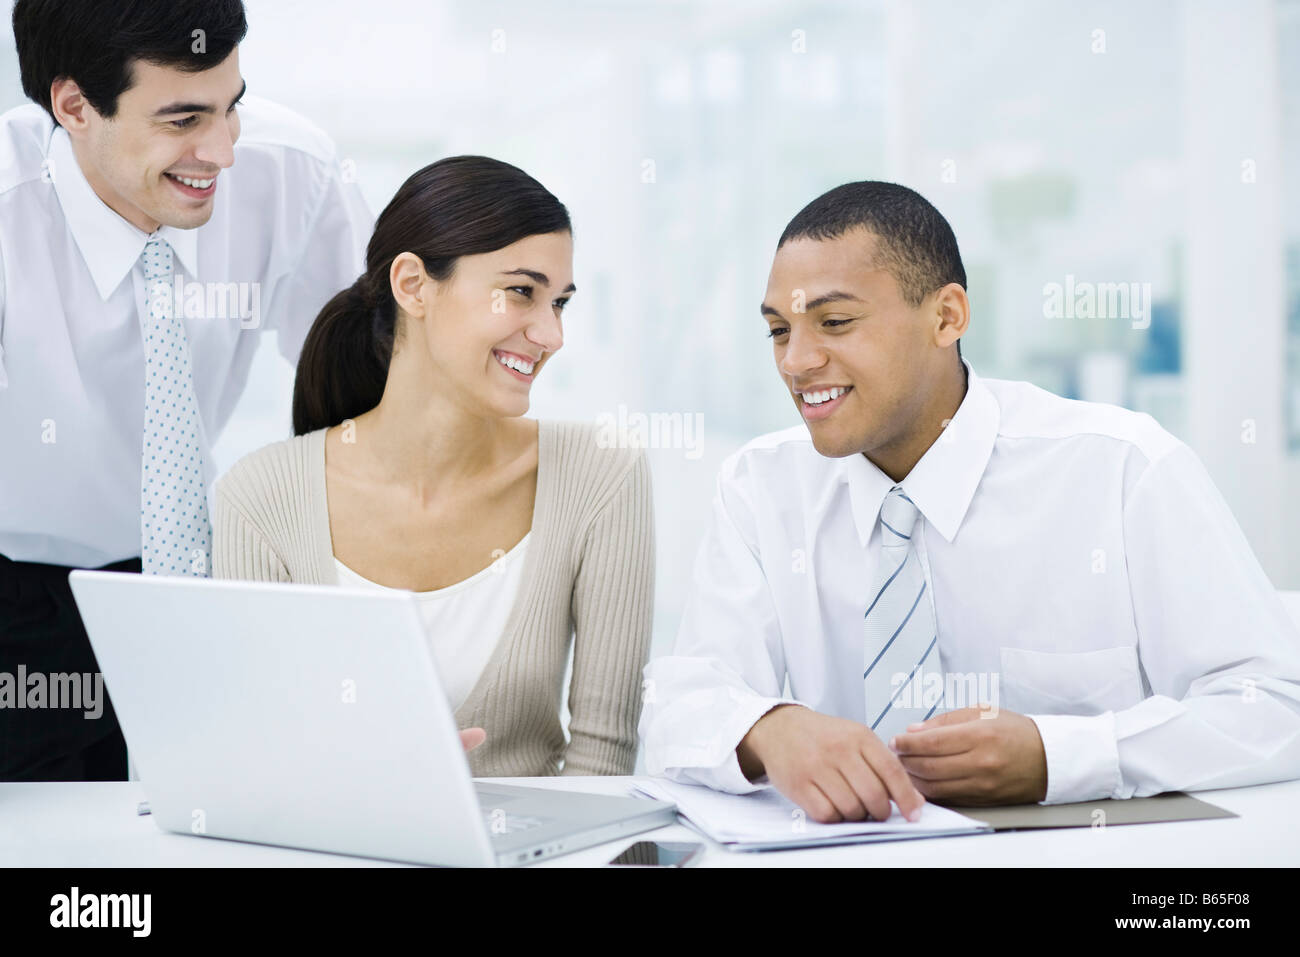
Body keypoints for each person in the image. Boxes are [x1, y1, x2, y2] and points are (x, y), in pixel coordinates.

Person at [639, 180, 1300, 822]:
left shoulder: (1123, 469)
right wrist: (769, 728)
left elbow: (1274, 706)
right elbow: (679, 706)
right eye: (779, 330)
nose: (796, 359)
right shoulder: (761, 490)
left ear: (947, 316)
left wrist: (1058, 755)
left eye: (834, 321)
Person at [0, 0, 372, 781]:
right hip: (21, 599)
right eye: (184, 120)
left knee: (234, 806)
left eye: (231, 107)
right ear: (73, 107)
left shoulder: (291, 172)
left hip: (205, 577)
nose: (222, 153)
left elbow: (371, 397)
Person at [213, 156, 655, 777]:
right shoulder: (259, 499)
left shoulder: (602, 475)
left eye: (560, 303)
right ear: (414, 286)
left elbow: (605, 763)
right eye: (523, 292)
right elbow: (259, 762)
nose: (552, 334)